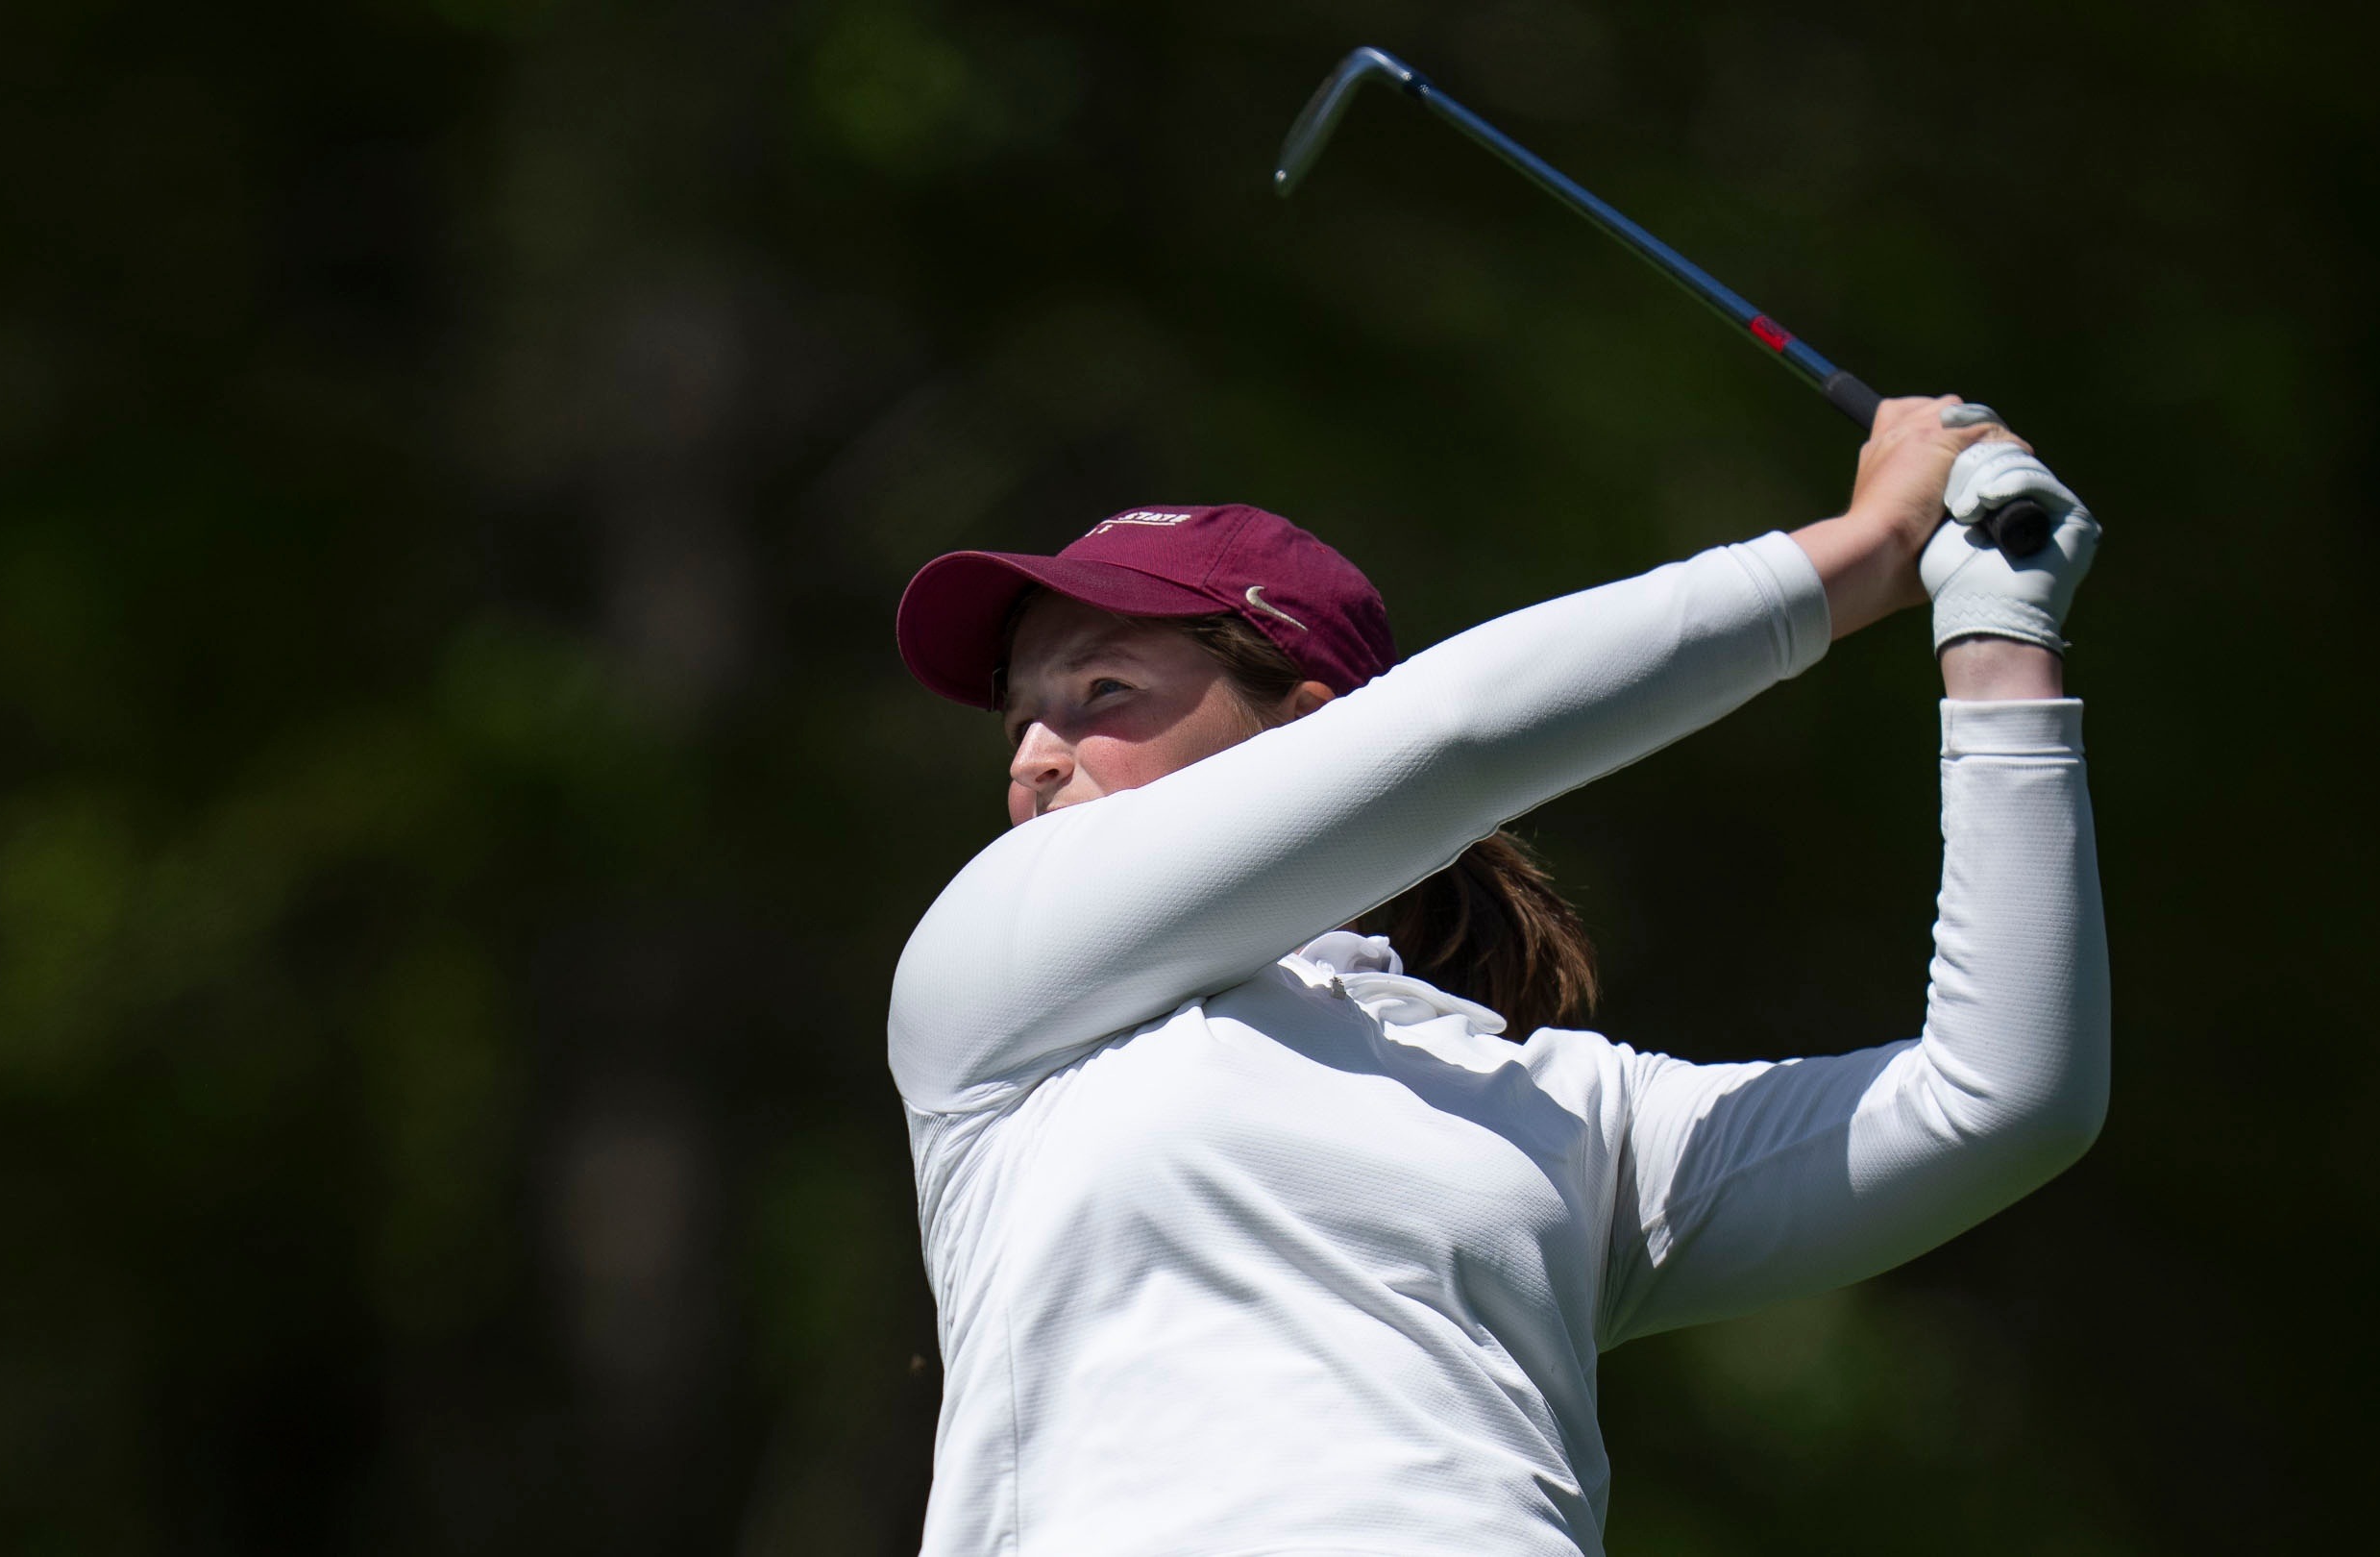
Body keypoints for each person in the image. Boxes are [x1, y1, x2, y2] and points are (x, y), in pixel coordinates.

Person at [886, 397, 2108, 1557]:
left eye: (1102, 693)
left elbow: (2000, 1100)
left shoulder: (1559, 1115)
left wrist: (1998, 645)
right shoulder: (997, 984)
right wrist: (1868, 546)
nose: (1037, 762)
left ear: (1312, 727)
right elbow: (1456, 744)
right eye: (1018, 727)